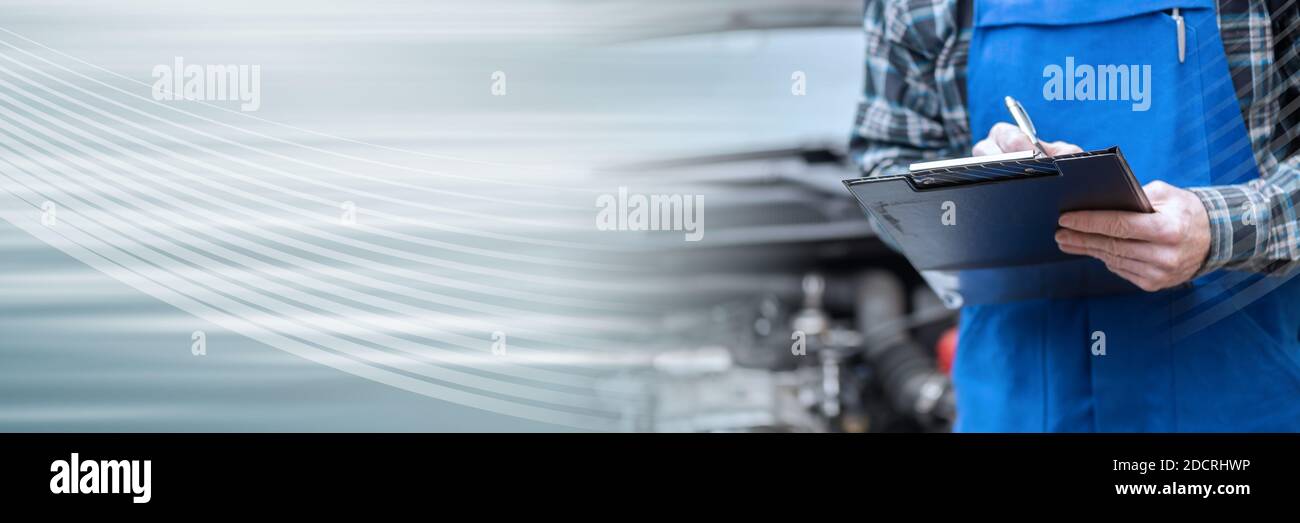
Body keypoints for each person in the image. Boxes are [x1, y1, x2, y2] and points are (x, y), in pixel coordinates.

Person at [851, 0, 1300, 431]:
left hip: (1236, 398)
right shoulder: (922, 5)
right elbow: (888, 159)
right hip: (1015, 401)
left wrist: (1224, 227)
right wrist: (978, 183)